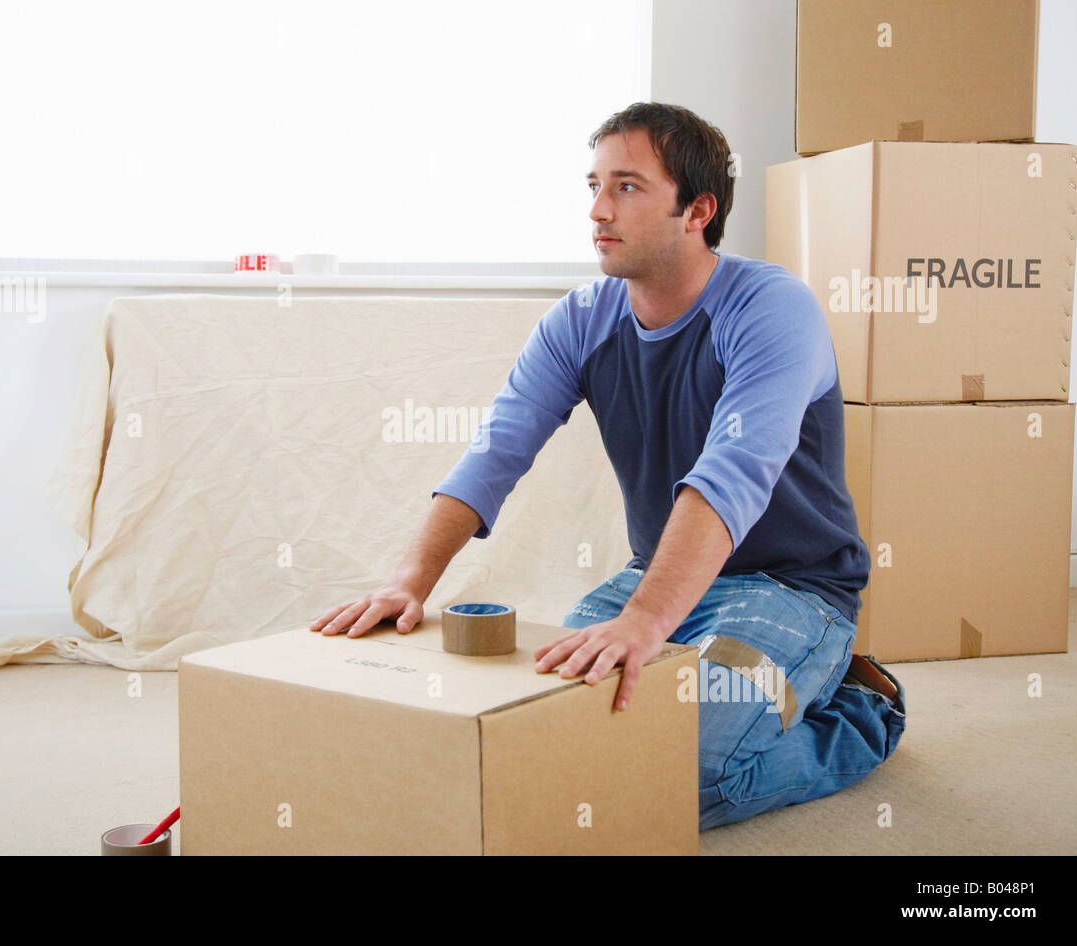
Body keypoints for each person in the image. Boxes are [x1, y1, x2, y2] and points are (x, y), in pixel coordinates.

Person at [310, 102, 906, 830]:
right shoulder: (580, 319)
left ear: (698, 209)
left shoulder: (771, 308)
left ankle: (862, 708)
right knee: (552, 738)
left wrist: (646, 621)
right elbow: (497, 450)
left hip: (790, 586)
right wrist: (410, 582)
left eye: (626, 187)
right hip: (655, 572)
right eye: (593, 185)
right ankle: (748, 677)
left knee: (673, 772)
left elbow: (732, 472)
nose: (597, 209)